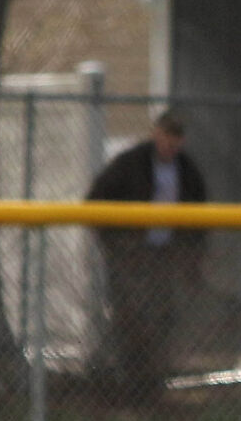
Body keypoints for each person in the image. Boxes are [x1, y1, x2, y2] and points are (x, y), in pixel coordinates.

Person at [86, 110, 209, 402]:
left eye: (176, 139)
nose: (171, 145)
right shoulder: (131, 164)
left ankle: (155, 381)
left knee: (163, 315)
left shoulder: (186, 169)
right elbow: (95, 201)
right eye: (167, 137)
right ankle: (128, 381)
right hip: (131, 257)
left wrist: (191, 255)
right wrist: (117, 244)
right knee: (130, 316)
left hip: (164, 255)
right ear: (157, 134)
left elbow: (200, 214)